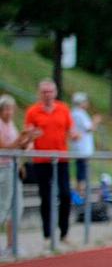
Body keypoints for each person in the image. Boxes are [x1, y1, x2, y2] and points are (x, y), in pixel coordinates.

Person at [25, 80, 80, 249]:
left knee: (65, 195)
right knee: (46, 197)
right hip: (42, 161)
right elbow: (27, 134)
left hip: (61, 159)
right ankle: (47, 235)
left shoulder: (63, 109)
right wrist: (30, 142)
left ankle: (64, 232)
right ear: (39, 93)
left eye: (50, 92)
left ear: (55, 93)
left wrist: (75, 135)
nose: (47, 95)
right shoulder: (33, 111)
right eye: (44, 92)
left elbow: (71, 130)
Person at [1, 94, 40, 255]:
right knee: (3, 207)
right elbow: (6, 147)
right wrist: (23, 137)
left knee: (17, 207)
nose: (9, 112)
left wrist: (28, 138)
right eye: (6, 109)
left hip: (12, 168)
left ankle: (11, 245)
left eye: (11, 109)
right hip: (2, 169)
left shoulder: (10, 125)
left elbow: (18, 147)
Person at [69, 92, 99, 199]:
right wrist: (95, 121)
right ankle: (80, 191)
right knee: (82, 169)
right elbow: (89, 128)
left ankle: (80, 190)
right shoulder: (78, 113)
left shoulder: (77, 113)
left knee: (82, 168)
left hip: (82, 146)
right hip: (81, 147)